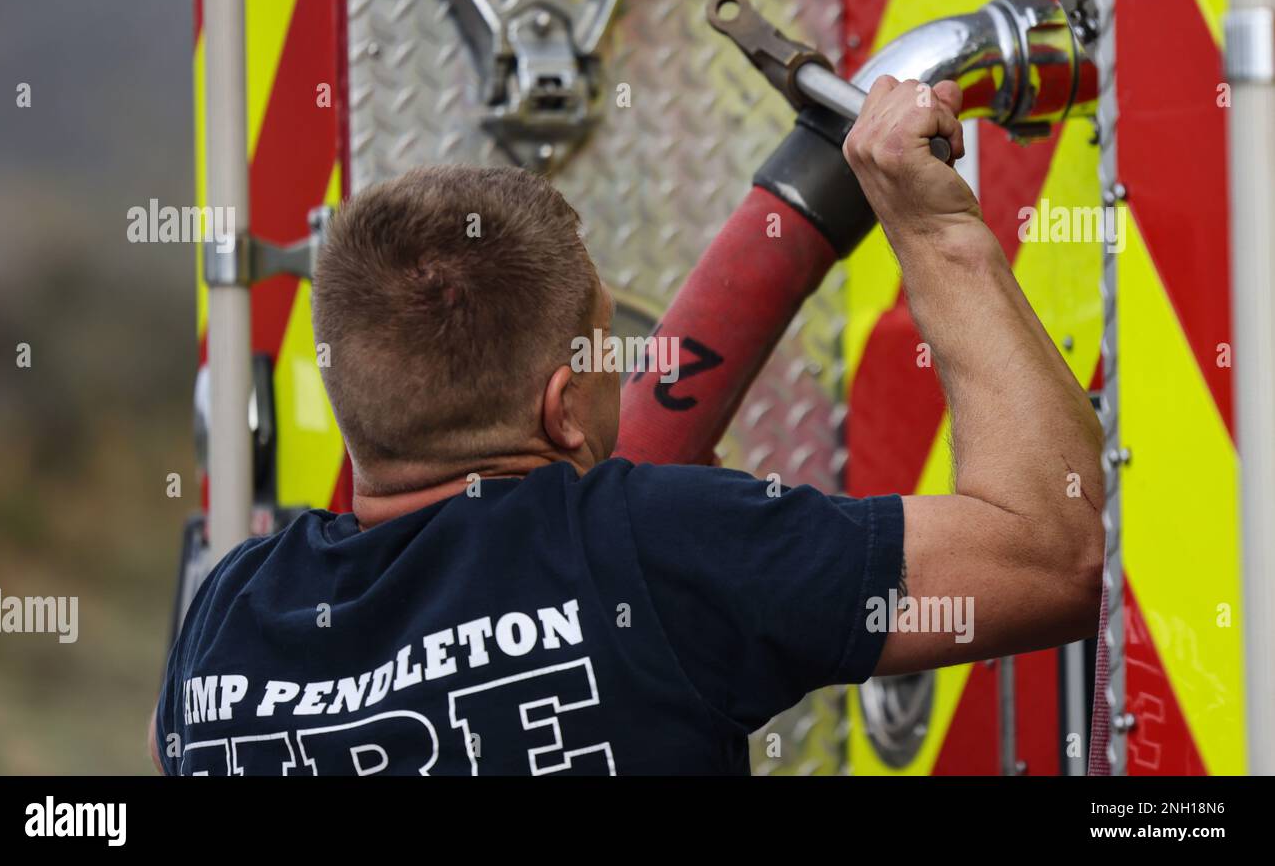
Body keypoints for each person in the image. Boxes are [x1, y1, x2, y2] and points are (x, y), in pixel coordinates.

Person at [151, 77, 1103, 775]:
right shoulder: (658, 549)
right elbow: (1049, 553)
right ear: (565, 407)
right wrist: (934, 229)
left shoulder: (226, 624)